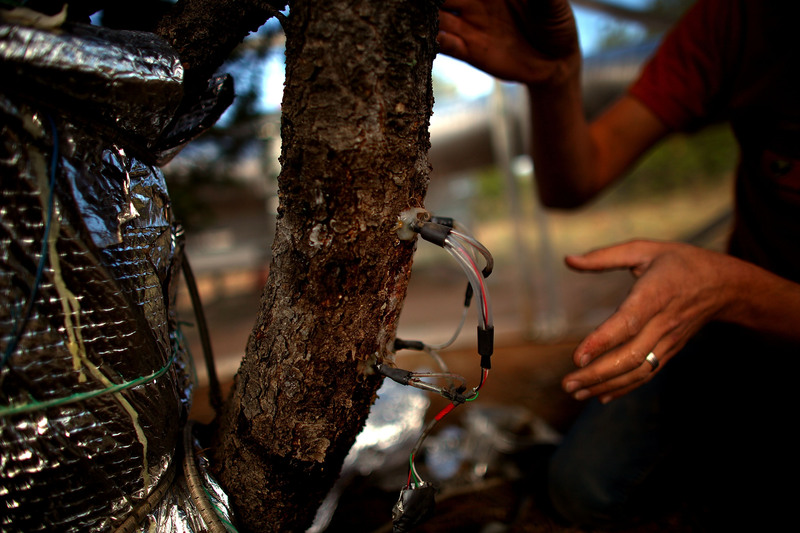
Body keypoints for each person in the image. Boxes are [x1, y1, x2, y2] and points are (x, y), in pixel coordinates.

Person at [437, 0, 800, 528]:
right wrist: (554, 77)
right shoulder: (739, 19)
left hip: (751, 307)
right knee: (580, 488)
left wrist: (733, 289)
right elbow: (574, 182)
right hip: (737, 326)